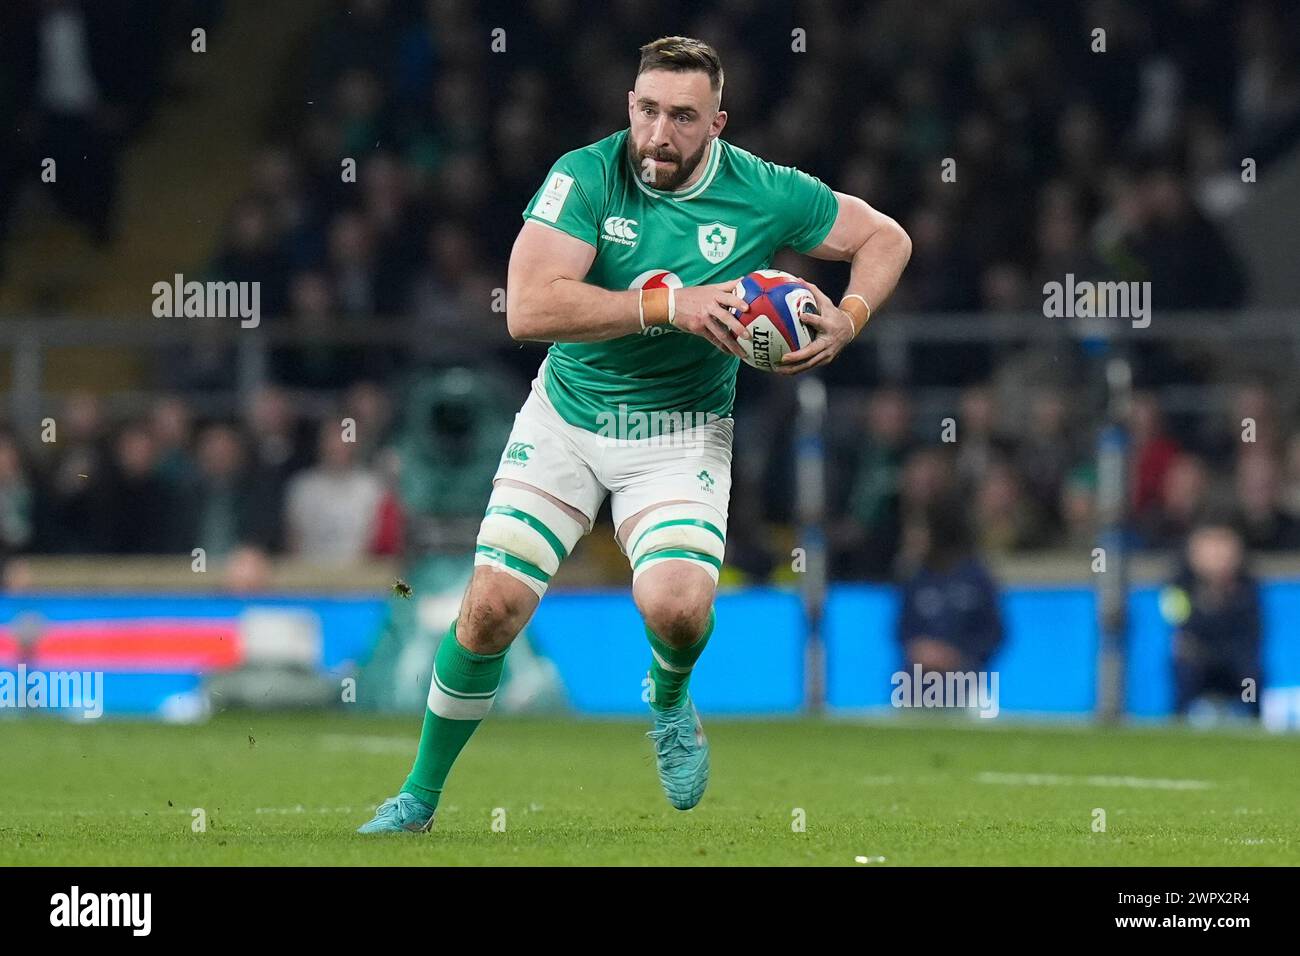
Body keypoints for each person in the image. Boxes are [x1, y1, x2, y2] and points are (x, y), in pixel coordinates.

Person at [359, 36, 912, 832]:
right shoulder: (585, 175)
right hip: (570, 418)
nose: (659, 133)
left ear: (716, 123)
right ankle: (418, 796)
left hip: (681, 433)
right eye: (648, 110)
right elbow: (528, 308)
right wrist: (673, 305)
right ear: (630, 105)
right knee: (491, 609)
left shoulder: (766, 192)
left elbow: (884, 236)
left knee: (679, 608)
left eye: (683, 117)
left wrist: (849, 320)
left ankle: (670, 696)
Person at [1162, 522, 1262, 722]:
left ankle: (1255, 720)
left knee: (1250, 675)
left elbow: (1250, 631)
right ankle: (1178, 720)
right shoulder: (1180, 585)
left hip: (1234, 659)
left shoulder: (1246, 586)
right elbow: (1182, 624)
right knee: (1183, 665)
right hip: (1198, 658)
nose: (1218, 557)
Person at [897, 495, 1004, 677]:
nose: (911, 536)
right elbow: (903, 630)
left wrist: (956, 655)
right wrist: (921, 649)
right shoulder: (915, 579)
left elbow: (993, 632)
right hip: (917, 680)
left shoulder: (976, 577)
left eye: (919, 529)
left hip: (967, 679)